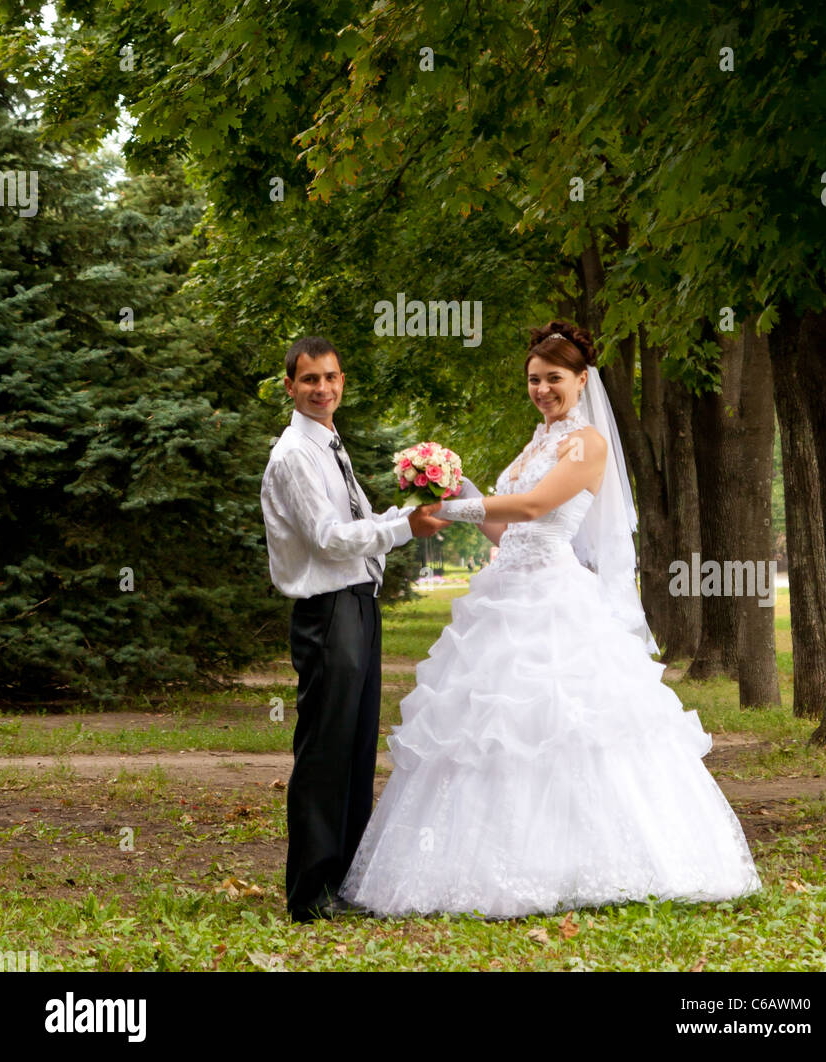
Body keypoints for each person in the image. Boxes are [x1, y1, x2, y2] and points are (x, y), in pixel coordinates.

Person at [339, 321, 762, 918]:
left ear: (581, 380)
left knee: (567, 726)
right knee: (488, 733)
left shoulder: (586, 443)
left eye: (554, 378)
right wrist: (450, 487)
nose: (542, 389)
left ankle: (602, 860)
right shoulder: (535, 443)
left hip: (554, 598)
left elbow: (538, 506)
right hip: (504, 592)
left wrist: (457, 504)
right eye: (534, 379)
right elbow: (506, 528)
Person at [260, 335, 447, 922]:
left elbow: (356, 523)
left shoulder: (331, 446)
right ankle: (309, 894)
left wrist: (412, 512)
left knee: (356, 747)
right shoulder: (294, 454)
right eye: (310, 379)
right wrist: (400, 532)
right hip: (327, 611)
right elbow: (327, 537)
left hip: (359, 605)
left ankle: (343, 881)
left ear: (342, 383)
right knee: (325, 751)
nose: (323, 389)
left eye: (332, 378)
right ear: (290, 386)